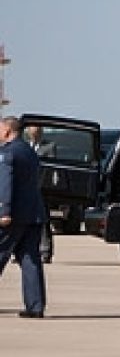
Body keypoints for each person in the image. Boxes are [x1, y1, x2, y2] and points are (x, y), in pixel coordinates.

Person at [0, 117, 48, 318]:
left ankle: (35, 306)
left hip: (13, 216)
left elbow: (5, 184)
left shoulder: (8, 154)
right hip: (34, 214)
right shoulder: (29, 151)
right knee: (30, 260)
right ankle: (35, 306)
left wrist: (4, 211)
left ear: (8, 131)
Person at [24, 126, 54, 265]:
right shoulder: (23, 146)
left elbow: (52, 167)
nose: (34, 133)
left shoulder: (49, 147)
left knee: (43, 221)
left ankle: (45, 251)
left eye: (37, 131)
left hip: (41, 189)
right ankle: (22, 251)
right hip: (24, 189)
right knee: (23, 221)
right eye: (32, 131)